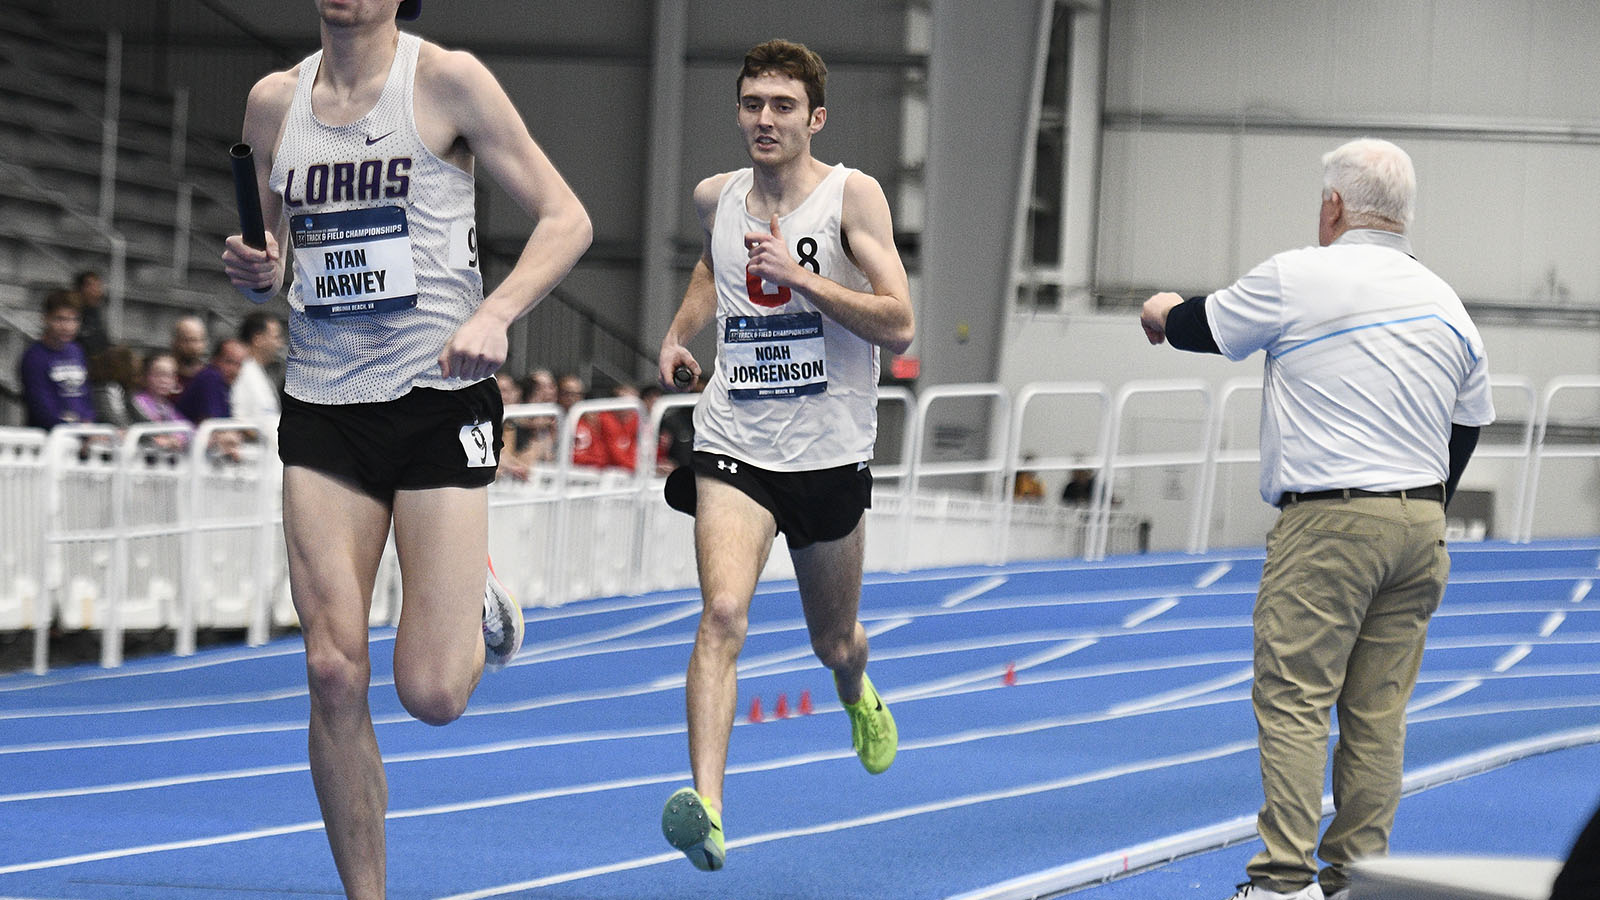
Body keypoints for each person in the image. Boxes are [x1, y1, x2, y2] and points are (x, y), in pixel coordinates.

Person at [218, 1, 591, 897]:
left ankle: (476, 604)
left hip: (437, 397)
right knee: (330, 667)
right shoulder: (274, 103)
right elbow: (268, 245)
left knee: (430, 693)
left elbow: (566, 217)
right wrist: (259, 265)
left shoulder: (447, 81)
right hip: (323, 401)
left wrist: (496, 312)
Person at [1138, 138, 1493, 900]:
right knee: (1378, 714)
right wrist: (1420, 503)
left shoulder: (1302, 274)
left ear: (1334, 205)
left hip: (1330, 523)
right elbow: (1467, 425)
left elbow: (1209, 325)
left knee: (1297, 698)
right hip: (1420, 524)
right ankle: (1359, 881)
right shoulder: (1447, 303)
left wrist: (1162, 310)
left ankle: (1282, 882)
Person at [654, 38, 914, 872]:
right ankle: (710, 808)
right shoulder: (716, 197)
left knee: (833, 641)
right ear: (737, 111)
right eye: (753, 104)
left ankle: (855, 691)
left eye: (783, 107)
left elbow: (898, 322)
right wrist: (678, 332)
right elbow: (711, 262)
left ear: (815, 118)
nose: (765, 120)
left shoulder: (850, 197)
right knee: (723, 614)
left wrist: (801, 279)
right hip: (734, 439)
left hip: (830, 453)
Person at [19, 291, 94, 430]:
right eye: (60, 319)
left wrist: (88, 424)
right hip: (50, 438)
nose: (67, 327)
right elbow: (42, 409)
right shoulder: (34, 357)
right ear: (45, 318)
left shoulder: (77, 351)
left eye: (74, 320)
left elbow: (86, 396)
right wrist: (77, 428)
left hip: (80, 433)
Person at [175, 338, 247, 425]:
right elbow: (213, 425)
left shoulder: (224, 385)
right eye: (229, 362)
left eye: (239, 365)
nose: (234, 370)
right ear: (215, 359)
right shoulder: (210, 377)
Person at [231, 310, 285, 425]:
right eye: (276, 337)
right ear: (258, 339)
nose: (280, 344)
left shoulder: (259, 372)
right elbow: (239, 419)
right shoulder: (240, 372)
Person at [71, 270, 110, 361]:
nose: (97, 291)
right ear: (80, 289)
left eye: (98, 286)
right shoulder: (71, 314)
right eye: (92, 286)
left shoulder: (96, 314)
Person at [170, 315, 209, 389]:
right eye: (186, 340)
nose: (192, 346)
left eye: (196, 340)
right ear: (175, 342)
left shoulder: (209, 378)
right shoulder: (162, 376)